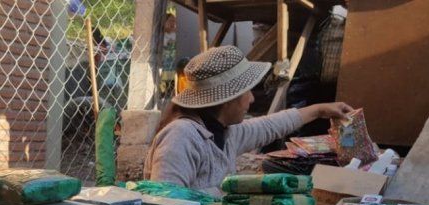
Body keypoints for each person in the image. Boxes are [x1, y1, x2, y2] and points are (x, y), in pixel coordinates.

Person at [144, 45, 353, 193]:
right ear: (228, 99)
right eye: (248, 92)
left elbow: (270, 126)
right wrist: (228, 193)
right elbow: (164, 203)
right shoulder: (181, 136)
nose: (252, 99)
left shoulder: (226, 131)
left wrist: (319, 110)